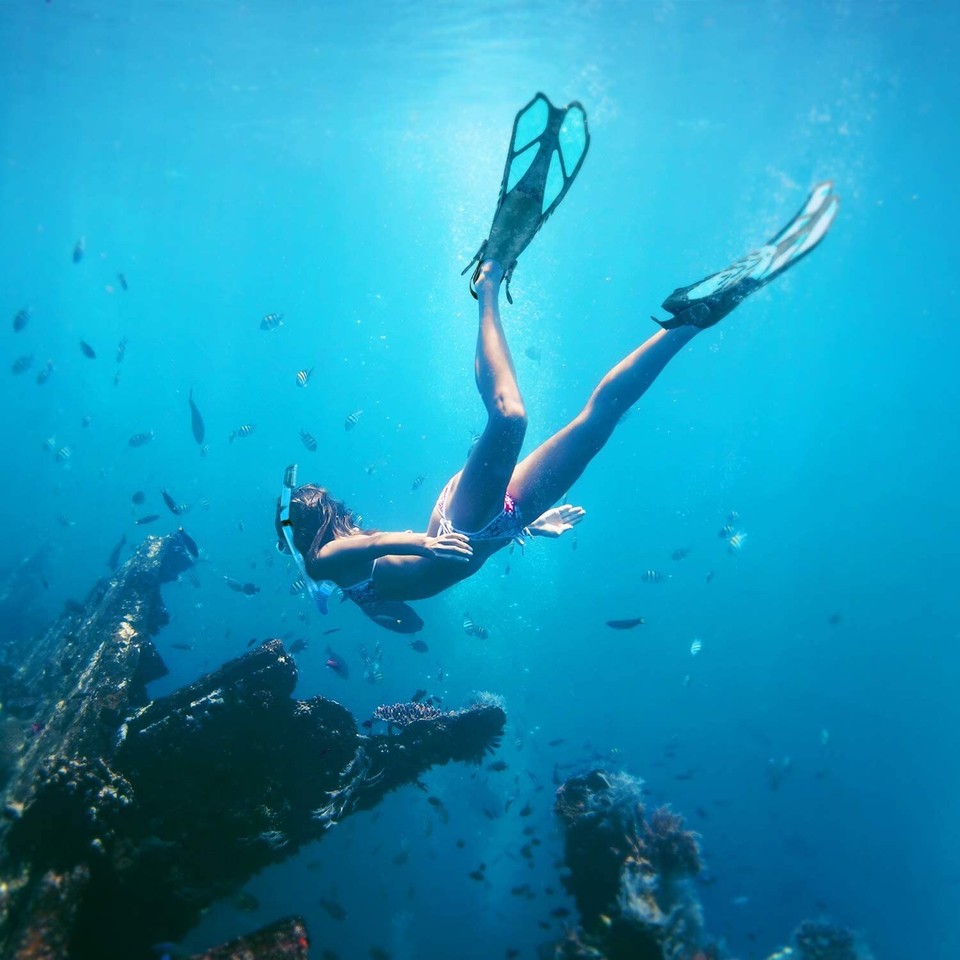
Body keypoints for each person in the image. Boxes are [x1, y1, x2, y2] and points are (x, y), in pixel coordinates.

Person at [276, 93, 839, 633]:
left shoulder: (323, 560)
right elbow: (410, 618)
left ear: (303, 535)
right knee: (600, 420)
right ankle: (692, 319)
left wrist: (412, 550)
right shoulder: (344, 584)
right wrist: (360, 599)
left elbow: (376, 548)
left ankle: (489, 278)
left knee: (510, 419)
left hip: (461, 520)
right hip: (501, 525)